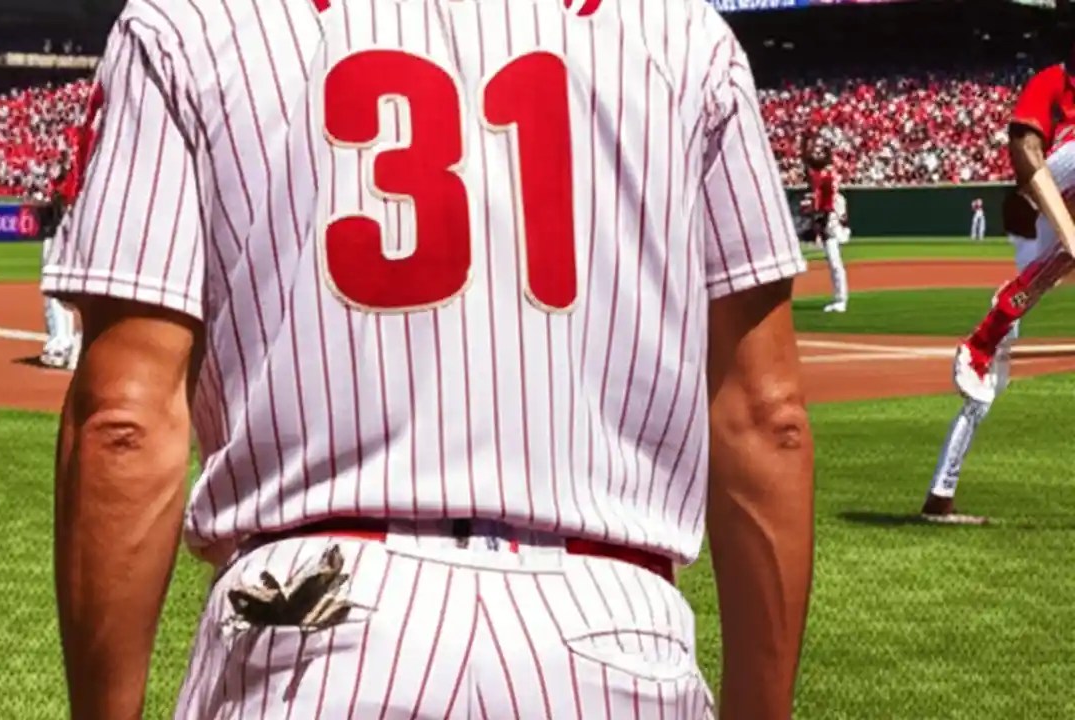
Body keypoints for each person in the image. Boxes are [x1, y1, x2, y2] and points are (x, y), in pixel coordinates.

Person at [42, 3, 815, 719]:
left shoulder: (189, 22)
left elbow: (124, 419)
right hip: (615, 630)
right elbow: (766, 418)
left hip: (306, 632)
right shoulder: (684, 37)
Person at [953, 53, 1075, 405]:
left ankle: (982, 342)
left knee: (1039, 280)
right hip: (1045, 188)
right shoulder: (1052, 80)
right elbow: (1026, 150)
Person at [923, 191, 1046, 524]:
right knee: (980, 400)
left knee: (981, 402)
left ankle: (940, 496)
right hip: (1010, 306)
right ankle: (939, 497)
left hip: (1014, 302)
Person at [38, 164, 81, 370]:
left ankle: (60, 345)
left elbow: (62, 198)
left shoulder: (68, 174)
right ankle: (68, 342)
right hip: (69, 231)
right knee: (63, 290)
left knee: (54, 290)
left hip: (59, 232)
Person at [805, 135, 849, 312]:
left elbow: (827, 203)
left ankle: (841, 300)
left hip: (829, 218)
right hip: (828, 216)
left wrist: (820, 224)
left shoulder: (827, 175)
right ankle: (840, 299)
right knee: (833, 261)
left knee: (834, 262)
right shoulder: (822, 174)